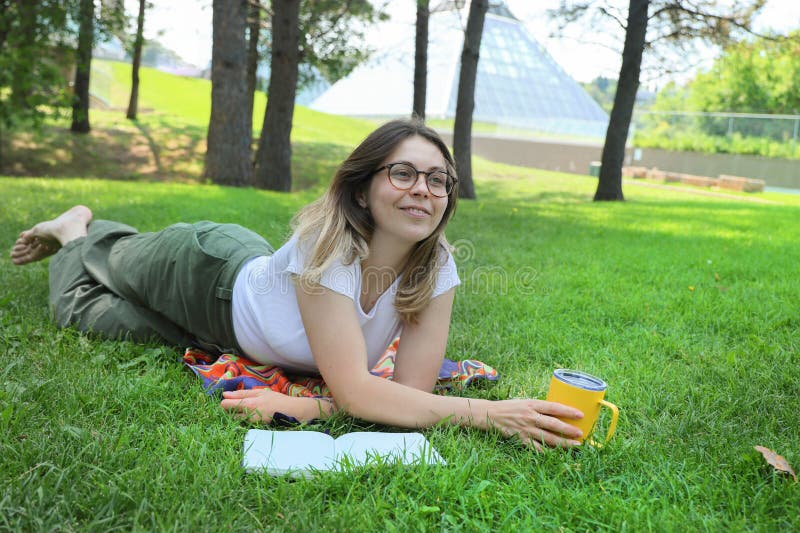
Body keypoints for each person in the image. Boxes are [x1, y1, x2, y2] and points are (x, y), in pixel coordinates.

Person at [10, 119, 583, 450]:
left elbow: (409, 395)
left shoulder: (438, 269)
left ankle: (78, 240)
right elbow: (366, 395)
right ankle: (77, 230)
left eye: (439, 179)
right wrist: (493, 414)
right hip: (206, 271)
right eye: (403, 173)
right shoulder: (328, 247)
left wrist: (318, 408)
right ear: (363, 189)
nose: (424, 190)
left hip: (231, 336)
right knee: (114, 262)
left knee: (90, 315)